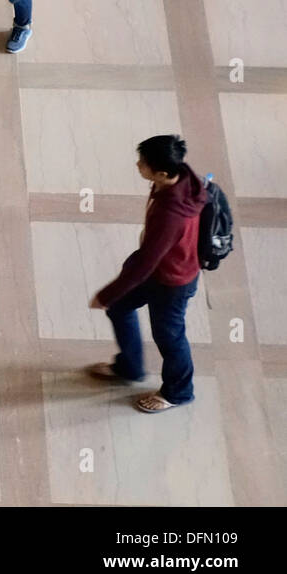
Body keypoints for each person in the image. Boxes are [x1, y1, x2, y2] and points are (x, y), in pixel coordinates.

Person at [89, 135, 206, 414]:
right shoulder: (183, 177)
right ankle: (130, 367)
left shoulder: (171, 215)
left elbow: (145, 264)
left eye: (143, 163)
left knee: (170, 337)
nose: (138, 165)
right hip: (160, 266)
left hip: (172, 281)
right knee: (120, 307)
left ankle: (179, 392)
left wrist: (106, 294)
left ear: (162, 173)